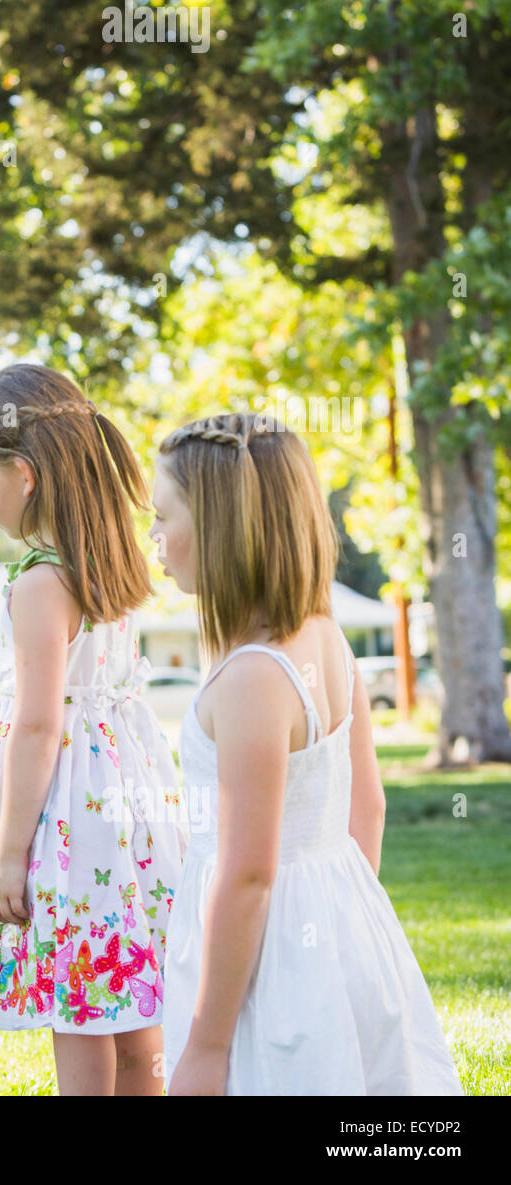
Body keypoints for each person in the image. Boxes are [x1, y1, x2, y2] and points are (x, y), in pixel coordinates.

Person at [151, 412, 463, 1095]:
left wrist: (207, 1046)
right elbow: (368, 806)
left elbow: (249, 873)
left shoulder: (253, 678)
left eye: (164, 516)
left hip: (268, 955)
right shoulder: (324, 633)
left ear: (220, 528)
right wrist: (343, 920)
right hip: (343, 918)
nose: (155, 538)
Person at [0, 363, 188, 1096]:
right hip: (129, 819)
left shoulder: (41, 582)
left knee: (79, 1018)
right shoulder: (110, 570)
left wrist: (9, 853)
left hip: (69, 824)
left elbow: (40, 724)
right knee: (134, 1015)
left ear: (23, 474)